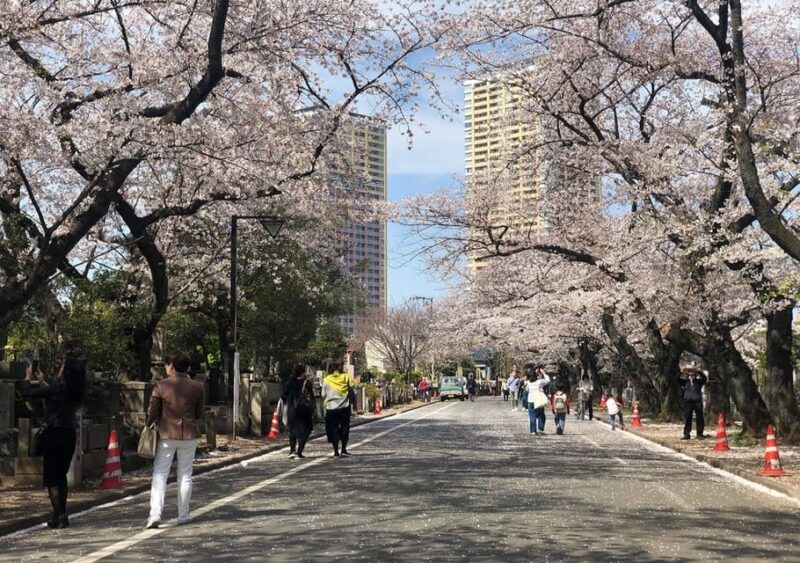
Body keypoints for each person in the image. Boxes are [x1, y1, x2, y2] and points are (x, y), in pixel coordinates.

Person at [16, 356, 85, 529]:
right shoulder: (75, 390)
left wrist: (27, 377)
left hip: (54, 434)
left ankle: (60, 515)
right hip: (69, 433)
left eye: (63, 366)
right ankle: (59, 514)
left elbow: (27, 392)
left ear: (66, 372)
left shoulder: (57, 389)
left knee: (53, 478)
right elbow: (57, 398)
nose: (60, 368)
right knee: (60, 475)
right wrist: (43, 382)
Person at [146, 351, 205, 529]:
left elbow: (152, 411)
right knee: (185, 474)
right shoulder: (197, 386)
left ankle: (155, 513)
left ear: (171, 366)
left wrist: (149, 424)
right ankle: (183, 514)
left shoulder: (161, 385)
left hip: (166, 434)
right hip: (188, 434)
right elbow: (199, 413)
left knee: (160, 473)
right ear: (187, 367)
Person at [322, 361, 356, 457]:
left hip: (331, 408)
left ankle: (336, 451)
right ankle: (344, 449)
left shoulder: (326, 379)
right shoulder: (345, 377)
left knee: (333, 429)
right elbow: (353, 386)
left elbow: (323, 394)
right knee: (345, 427)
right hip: (344, 407)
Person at [282, 364, 315, 459]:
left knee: (293, 430)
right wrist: (313, 408)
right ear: (303, 373)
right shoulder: (307, 383)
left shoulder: (289, 383)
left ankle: (292, 451)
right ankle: (299, 451)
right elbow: (311, 396)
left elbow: (283, 396)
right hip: (304, 410)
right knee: (307, 429)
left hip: (292, 409)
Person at [680, 367, 707, 440]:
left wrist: (699, 371)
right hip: (688, 402)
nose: (691, 373)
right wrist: (682, 371)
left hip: (697, 401)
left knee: (700, 417)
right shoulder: (685, 381)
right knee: (688, 417)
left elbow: (705, 378)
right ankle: (686, 434)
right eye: (690, 372)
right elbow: (677, 379)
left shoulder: (698, 381)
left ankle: (700, 434)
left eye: (692, 372)